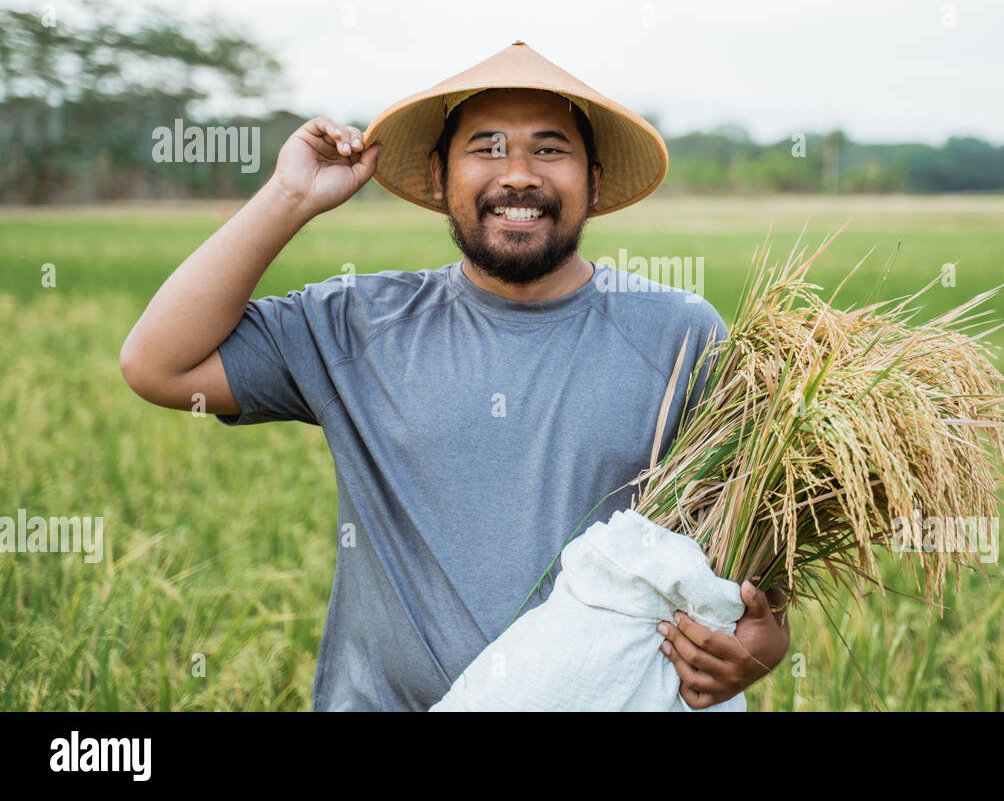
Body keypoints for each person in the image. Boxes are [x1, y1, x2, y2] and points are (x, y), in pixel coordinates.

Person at [119, 41, 789, 710]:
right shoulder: (357, 323)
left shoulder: (678, 334)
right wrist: (289, 196)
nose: (518, 174)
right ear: (440, 176)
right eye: (487, 147)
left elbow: (756, 530)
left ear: (595, 178)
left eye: (550, 149)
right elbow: (158, 365)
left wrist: (764, 640)